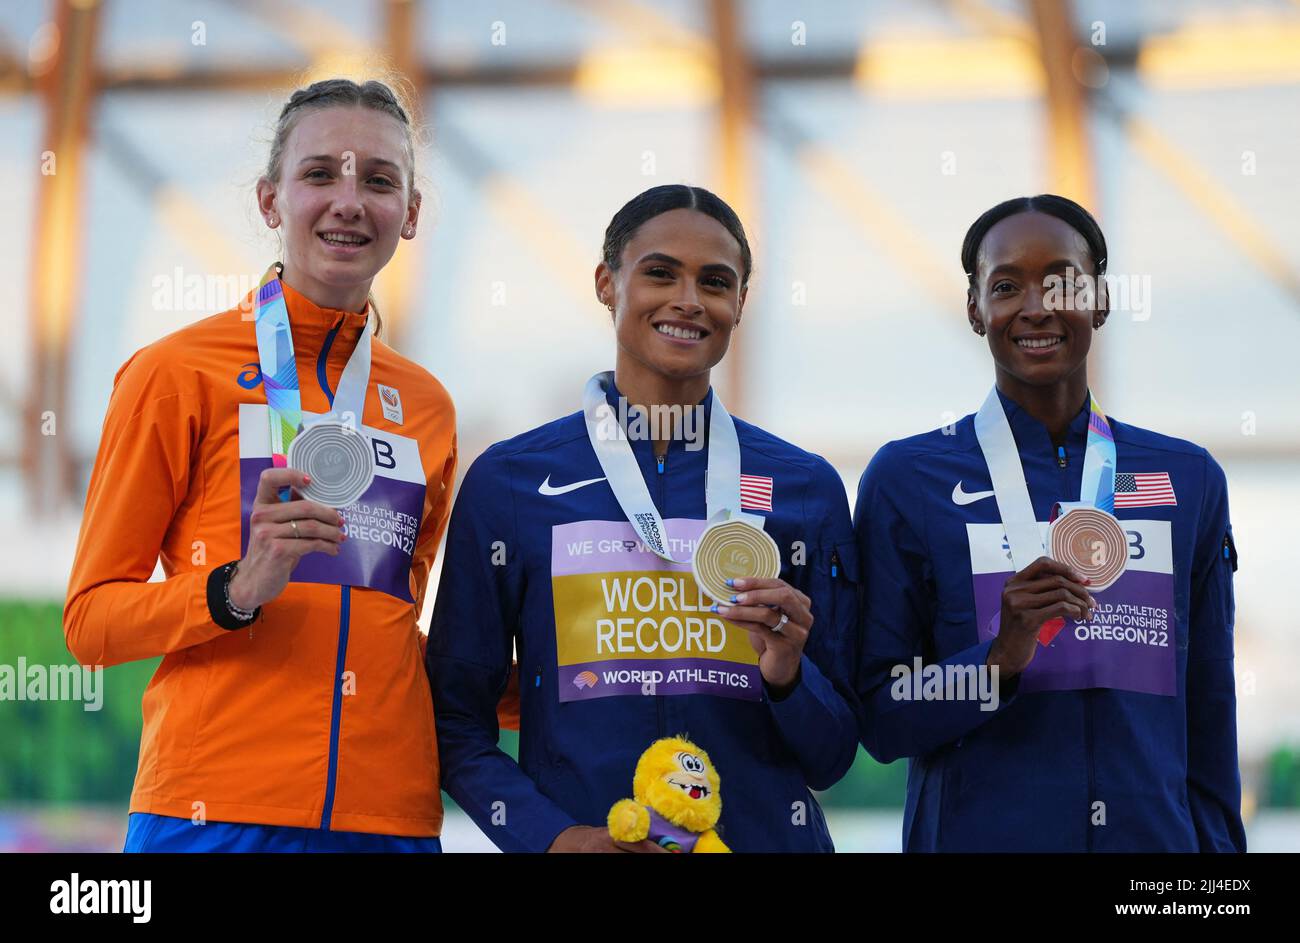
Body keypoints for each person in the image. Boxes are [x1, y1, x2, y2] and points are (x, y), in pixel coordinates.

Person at [64, 78, 458, 851]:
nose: (349, 200)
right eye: (320, 175)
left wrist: (586, 674)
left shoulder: (427, 406)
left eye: (379, 180)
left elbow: (391, 630)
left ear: (409, 215)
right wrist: (233, 589)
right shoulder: (176, 372)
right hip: (212, 812)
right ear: (270, 201)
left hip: (388, 819)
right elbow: (89, 621)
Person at [427, 184, 860, 852]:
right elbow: (454, 721)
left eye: (716, 281)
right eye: (661, 272)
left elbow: (833, 755)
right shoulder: (509, 482)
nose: (688, 299)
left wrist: (787, 675)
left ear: (740, 303)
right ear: (607, 282)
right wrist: (555, 838)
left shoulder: (803, 486)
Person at [853, 194, 1245, 852]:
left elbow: (1210, 711)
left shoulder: (1187, 476)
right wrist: (997, 663)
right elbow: (881, 715)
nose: (1036, 306)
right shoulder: (907, 479)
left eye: (1061, 281)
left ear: (1101, 299)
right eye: (1006, 286)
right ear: (976, 310)